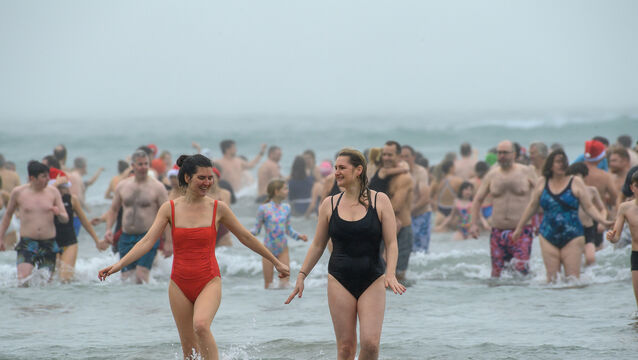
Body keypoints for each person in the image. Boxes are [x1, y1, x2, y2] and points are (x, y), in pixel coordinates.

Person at [99, 154, 290, 360]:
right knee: (189, 352)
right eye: (202, 178)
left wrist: (276, 262)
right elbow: (146, 242)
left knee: (201, 325)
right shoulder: (169, 208)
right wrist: (118, 265)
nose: (207, 182)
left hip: (209, 280)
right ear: (188, 178)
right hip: (178, 284)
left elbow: (245, 236)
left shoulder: (218, 208)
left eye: (210, 178)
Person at [285, 148, 405, 360]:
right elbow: (318, 244)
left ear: (358, 170)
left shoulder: (380, 201)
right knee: (346, 348)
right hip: (339, 278)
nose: (336, 172)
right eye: (335, 168)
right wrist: (302, 275)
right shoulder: (329, 204)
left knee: (370, 345)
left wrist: (391, 273)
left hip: (373, 277)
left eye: (342, 168)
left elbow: (392, 242)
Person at [513, 149, 611, 282]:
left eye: (564, 161)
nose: (562, 164)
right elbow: (532, 206)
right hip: (547, 235)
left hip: (573, 235)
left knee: (572, 280)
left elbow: (589, 207)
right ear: (550, 165)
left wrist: (603, 221)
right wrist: (519, 228)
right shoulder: (542, 182)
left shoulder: (575, 181)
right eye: (558, 162)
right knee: (552, 281)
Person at [469, 140, 537, 278]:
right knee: (497, 275)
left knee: (520, 272)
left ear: (514, 154)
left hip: (521, 231)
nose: (501, 156)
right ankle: (499, 300)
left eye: (505, 153)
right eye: (499, 153)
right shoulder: (492, 175)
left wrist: (542, 221)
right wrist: (473, 224)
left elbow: (541, 195)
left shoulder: (527, 171)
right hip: (497, 232)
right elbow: (477, 200)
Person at [102, 149, 172, 284]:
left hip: (148, 237)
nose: (144, 167)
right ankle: (129, 305)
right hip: (126, 236)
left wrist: (169, 241)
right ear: (133, 166)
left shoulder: (157, 187)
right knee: (126, 277)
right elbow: (114, 210)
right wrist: (108, 230)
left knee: (141, 276)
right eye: (140, 164)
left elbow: (167, 214)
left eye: (146, 164)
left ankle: (145, 304)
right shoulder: (123, 186)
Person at [0, 161, 69, 284]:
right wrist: (1, 237)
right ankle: (25, 303)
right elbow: (7, 216)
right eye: (44, 177)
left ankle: (44, 304)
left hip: (48, 243)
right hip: (27, 243)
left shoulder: (53, 192)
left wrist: (58, 213)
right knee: (23, 280)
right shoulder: (18, 192)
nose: (48, 179)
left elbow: (65, 218)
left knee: (45, 283)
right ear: (32, 178)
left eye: (48, 176)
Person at [252, 179, 308, 288]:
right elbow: (256, 230)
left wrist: (299, 236)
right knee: (268, 285)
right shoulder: (263, 208)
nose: (287, 191)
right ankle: (268, 305)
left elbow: (288, 229)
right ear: (277, 191)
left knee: (285, 285)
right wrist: (243, 233)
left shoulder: (286, 208)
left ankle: (283, 305)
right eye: (285, 189)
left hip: (283, 248)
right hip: (268, 250)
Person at [54, 180, 108, 282]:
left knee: (65, 279)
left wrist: (97, 240)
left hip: (69, 241)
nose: (65, 189)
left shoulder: (72, 199)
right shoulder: (47, 199)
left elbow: (84, 221)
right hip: (52, 242)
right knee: (53, 278)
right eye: (62, 187)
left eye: (66, 186)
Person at [375, 141, 413, 280]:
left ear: (398, 156)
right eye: (384, 154)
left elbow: (396, 206)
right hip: (382, 228)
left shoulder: (404, 178)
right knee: (378, 273)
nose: (386, 158)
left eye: (390, 155)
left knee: (398, 275)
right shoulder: (385, 174)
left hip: (401, 230)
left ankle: (400, 302)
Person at [607, 171, 638, 312]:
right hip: (636, 256)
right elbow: (617, 236)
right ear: (632, 188)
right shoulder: (625, 208)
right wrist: (612, 238)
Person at [565, 163, 607, 265]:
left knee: (590, 258)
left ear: (584, 177)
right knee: (575, 258)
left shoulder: (591, 190)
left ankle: (590, 276)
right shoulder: (567, 192)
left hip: (589, 227)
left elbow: (603, 209)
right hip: (573, 228)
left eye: (578, 177)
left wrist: (602, 221)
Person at [401, 145, 432, 252]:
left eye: (407, 156)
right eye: (402, 156)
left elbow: (425, 197)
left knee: (421, 252)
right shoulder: (397, 172)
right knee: (405, 250)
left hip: (421, 214)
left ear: (413, 157)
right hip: (404, 217)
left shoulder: (421, 172)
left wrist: (409, 211)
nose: (404, 159)